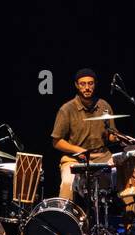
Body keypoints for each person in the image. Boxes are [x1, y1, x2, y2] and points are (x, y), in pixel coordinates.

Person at [50, 68, 120, 202]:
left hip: (101, 156)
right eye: (83, 84)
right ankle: (65, 220)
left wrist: (117, 137)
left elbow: (111, 136)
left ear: (95, 84)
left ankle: (131, 221)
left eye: (90, 83)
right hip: (74, 158)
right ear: (77, 85)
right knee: (66, 184)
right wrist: (78, 150)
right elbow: (56, 141)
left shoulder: (104, 106)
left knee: (126, 178)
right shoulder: (67, 109)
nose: (87, 87)